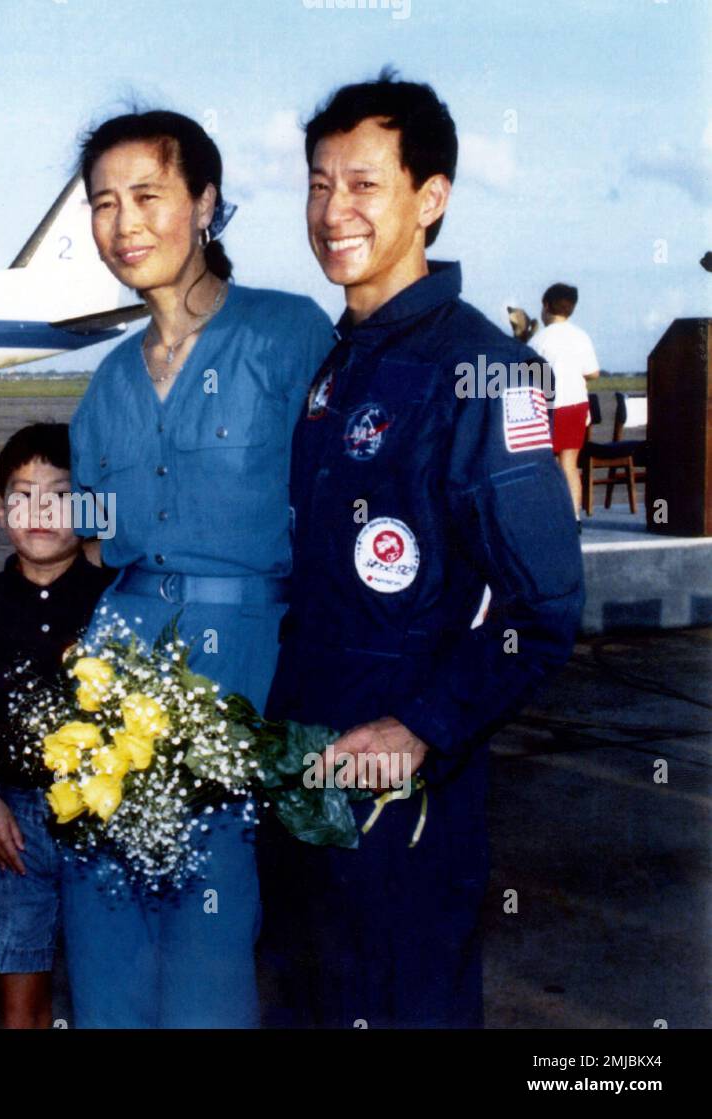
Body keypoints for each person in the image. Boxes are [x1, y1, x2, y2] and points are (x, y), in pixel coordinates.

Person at [263, 71, 585, 1029]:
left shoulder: (488, 371)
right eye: (318, 183)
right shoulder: (338, 362)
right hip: (309, 778)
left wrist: (420, 729)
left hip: (409, 806)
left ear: (429, 198)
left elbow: (547, 610)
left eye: (363, 184)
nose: (332, 210)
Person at [64, 109, 335, 1028]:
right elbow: (95, 541)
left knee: (215, 932)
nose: (124, 223)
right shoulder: (105, 381)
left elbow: (340, 504)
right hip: (120, 668)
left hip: (249, 669)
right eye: (103, 203)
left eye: (148, 195)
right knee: (102, 919)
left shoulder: (289, 334)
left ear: (207, 203)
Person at [0, 422, 115, 1029]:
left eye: (61, 494)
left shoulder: (115, 601)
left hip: (103, 823)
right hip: (10, 825)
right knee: (20, 997)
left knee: (108, 986)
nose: (40, 511)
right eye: (23, 495)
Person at [529, 282, 601, 519]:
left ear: (546, 306)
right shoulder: (580, 336)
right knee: (570, 464)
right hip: (575, 405)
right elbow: (593, 372)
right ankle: (574, 518)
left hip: (548, 407)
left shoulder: (538, 340)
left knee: (544, 466)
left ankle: (548, 516)